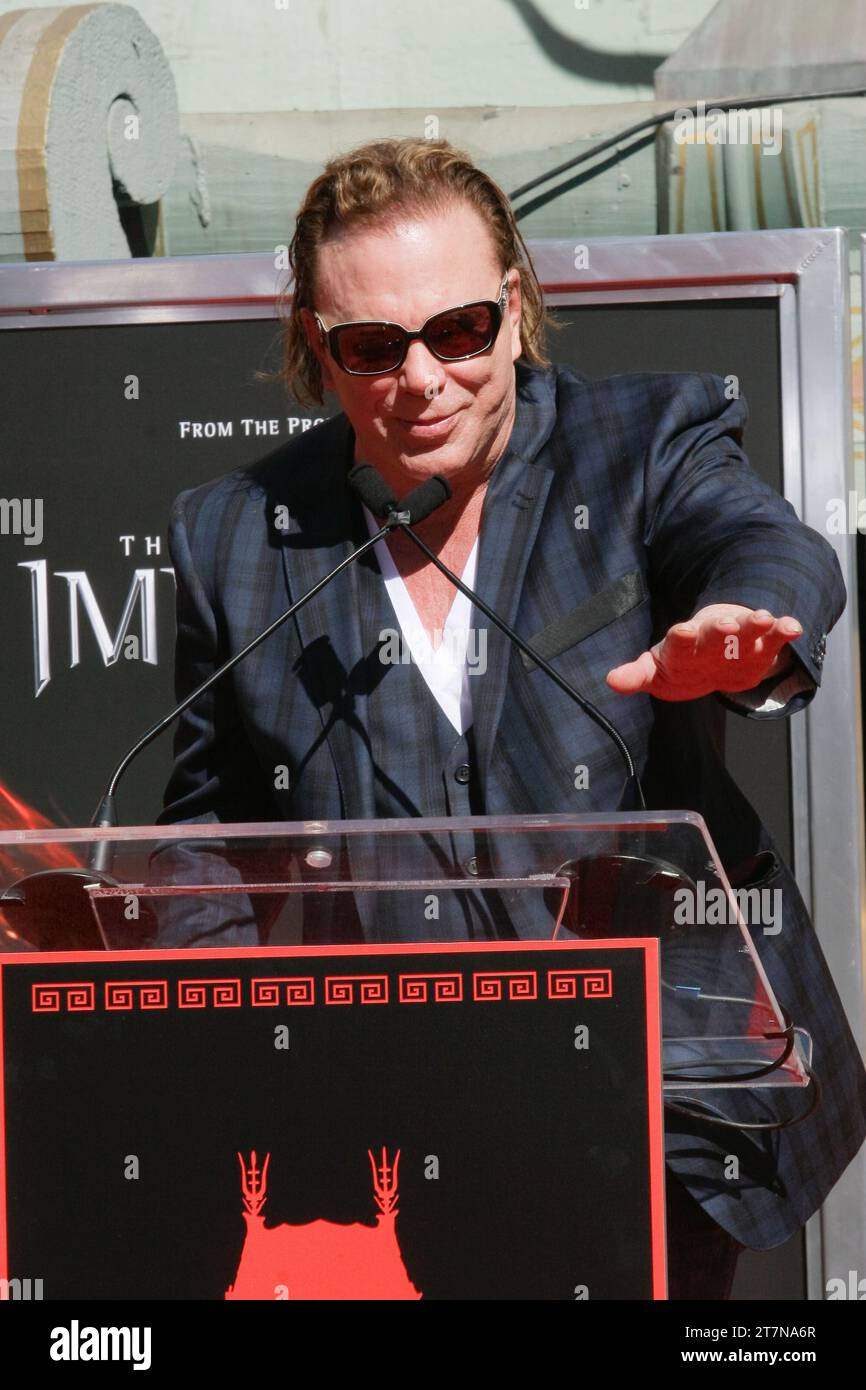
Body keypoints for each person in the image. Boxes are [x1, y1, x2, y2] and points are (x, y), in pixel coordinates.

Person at [155, 137, 866, 1298]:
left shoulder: (641, 440)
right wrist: (250, 1051)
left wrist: (753, 620)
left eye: (460, 330)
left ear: (516, 307)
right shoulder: (233, 534)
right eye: (373, 347)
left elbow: (755, 540)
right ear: (316, 352)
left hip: (658, 1117)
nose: (423, 378)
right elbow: (204, 838)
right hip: (393, 1138)